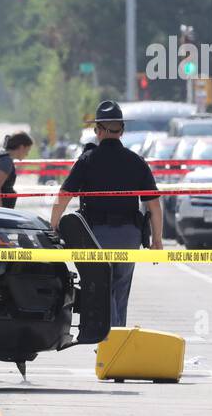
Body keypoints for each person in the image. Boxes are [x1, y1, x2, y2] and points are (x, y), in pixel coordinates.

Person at [49, 100, 163, 328]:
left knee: (101, 288)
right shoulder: (136, 161)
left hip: (96, 237)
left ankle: (108, 338)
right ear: (122, 130)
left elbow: (63, 197)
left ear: (98, 130)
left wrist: (53, 228)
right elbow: (154, 205)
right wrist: (157, 240)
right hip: (129, 237)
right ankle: (117, 338)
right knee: (121, 290)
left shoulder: (87, 160)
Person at [0, 131, 33, 208]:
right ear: (21, 147)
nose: (27, 154)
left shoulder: (1, 158)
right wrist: (0, 212)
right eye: (28, 150)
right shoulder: (5, 162)